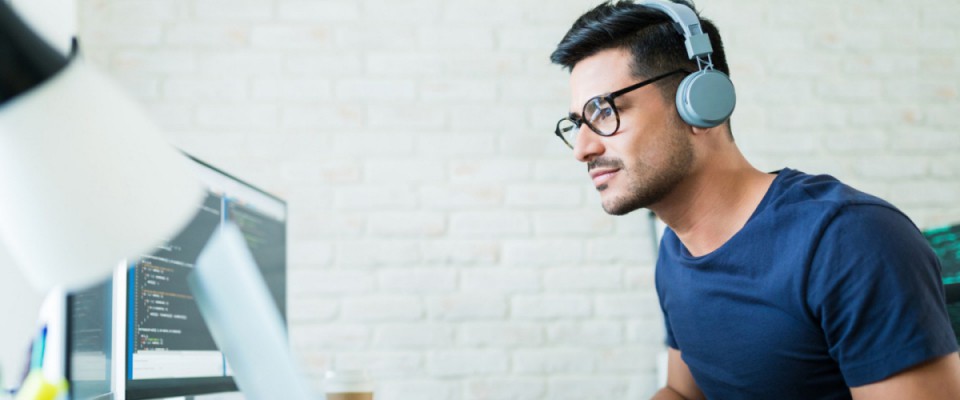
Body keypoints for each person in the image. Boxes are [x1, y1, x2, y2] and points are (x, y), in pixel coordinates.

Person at [549, 1, 960, 399]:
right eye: (577, 123)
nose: (582, 149)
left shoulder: (851, 241)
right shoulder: (675, 250)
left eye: (604, 111)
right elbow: (683, 392)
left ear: (699, 104)